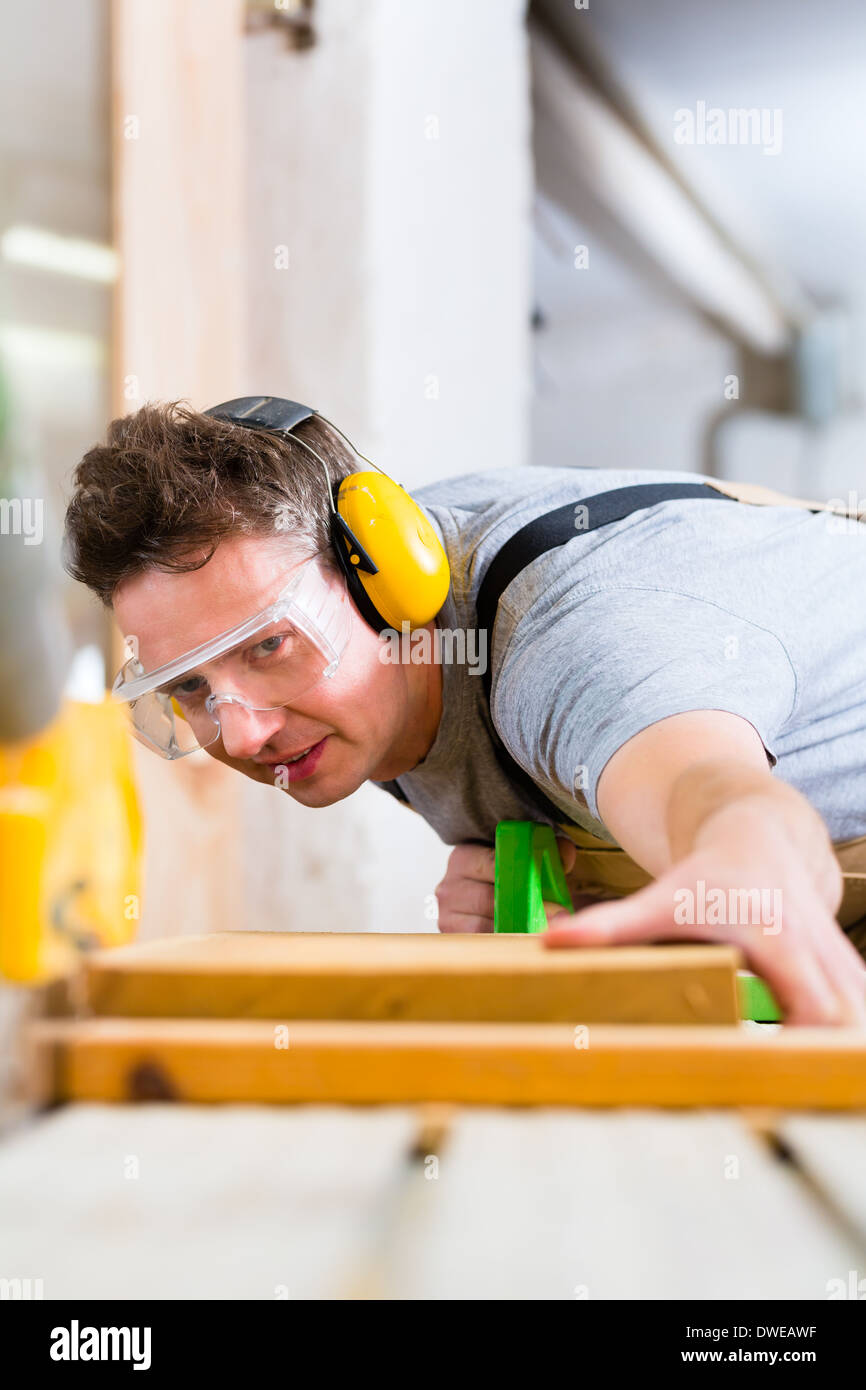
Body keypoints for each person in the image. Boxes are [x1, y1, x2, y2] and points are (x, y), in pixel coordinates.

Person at [62, 396, 866, 1027]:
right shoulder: (369, 660)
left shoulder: (575, 639)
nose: (242, 733)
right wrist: (552, 896)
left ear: (385, 581)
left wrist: (746, 867)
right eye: (189, 689)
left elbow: (710, 794)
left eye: (269, 647)